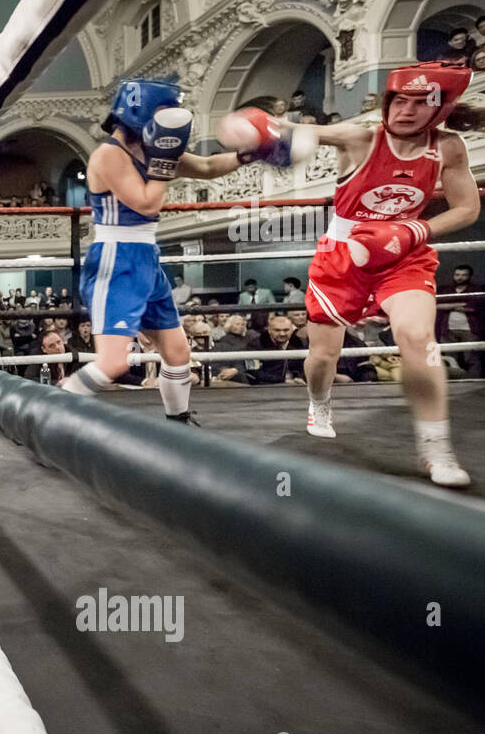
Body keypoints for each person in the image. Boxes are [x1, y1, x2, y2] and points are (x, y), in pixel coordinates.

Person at [285, 62, 478, 486]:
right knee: (322, 358)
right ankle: (319, 401)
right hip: (341, 258)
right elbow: (298, 133)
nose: (405, 111)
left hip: (403, 255)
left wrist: (415, 228)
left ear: (440, 110)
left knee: (416, 336)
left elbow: (467, 207)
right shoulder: (360, 138)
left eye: (417, 104)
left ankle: (436, 447)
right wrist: (260, 128)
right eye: (399, 100)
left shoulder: (448, 148)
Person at [60, 79, 273, 422]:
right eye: (164, 112)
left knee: (178, 352)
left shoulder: (151, 148)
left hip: (147, 259)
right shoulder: (108, 155)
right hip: (117, 260)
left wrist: (246, 155)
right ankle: (52, 412)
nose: (171, 121)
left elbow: (205, 168)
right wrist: (162, 161)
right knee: (113, 363)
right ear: (141, 111)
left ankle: (179, 421)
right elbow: (145, 204)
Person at [435, 264, 483, 377]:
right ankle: (453, 385)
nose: (460, 277)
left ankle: (474, 384)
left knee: (472, 358)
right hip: (447, 329)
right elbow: (436, 305)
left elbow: (474, 306)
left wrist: (449, 305)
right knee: (450, 358)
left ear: (470, 276)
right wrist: (459, 304)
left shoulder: (476, 289)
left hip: (470, 329)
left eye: (463, 275)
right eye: (457, 275)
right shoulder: (446, 290)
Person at [252, 314, 306, 385]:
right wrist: (282, 381)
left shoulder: (300, 343)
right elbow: (253, 372)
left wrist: (300, 378)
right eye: (277, 330)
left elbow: (306, 367)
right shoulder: (255, 345)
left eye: (286, 330)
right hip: (267, 387)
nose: (282, 334)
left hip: (297, 385)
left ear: (292, 329)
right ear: (269, 330)